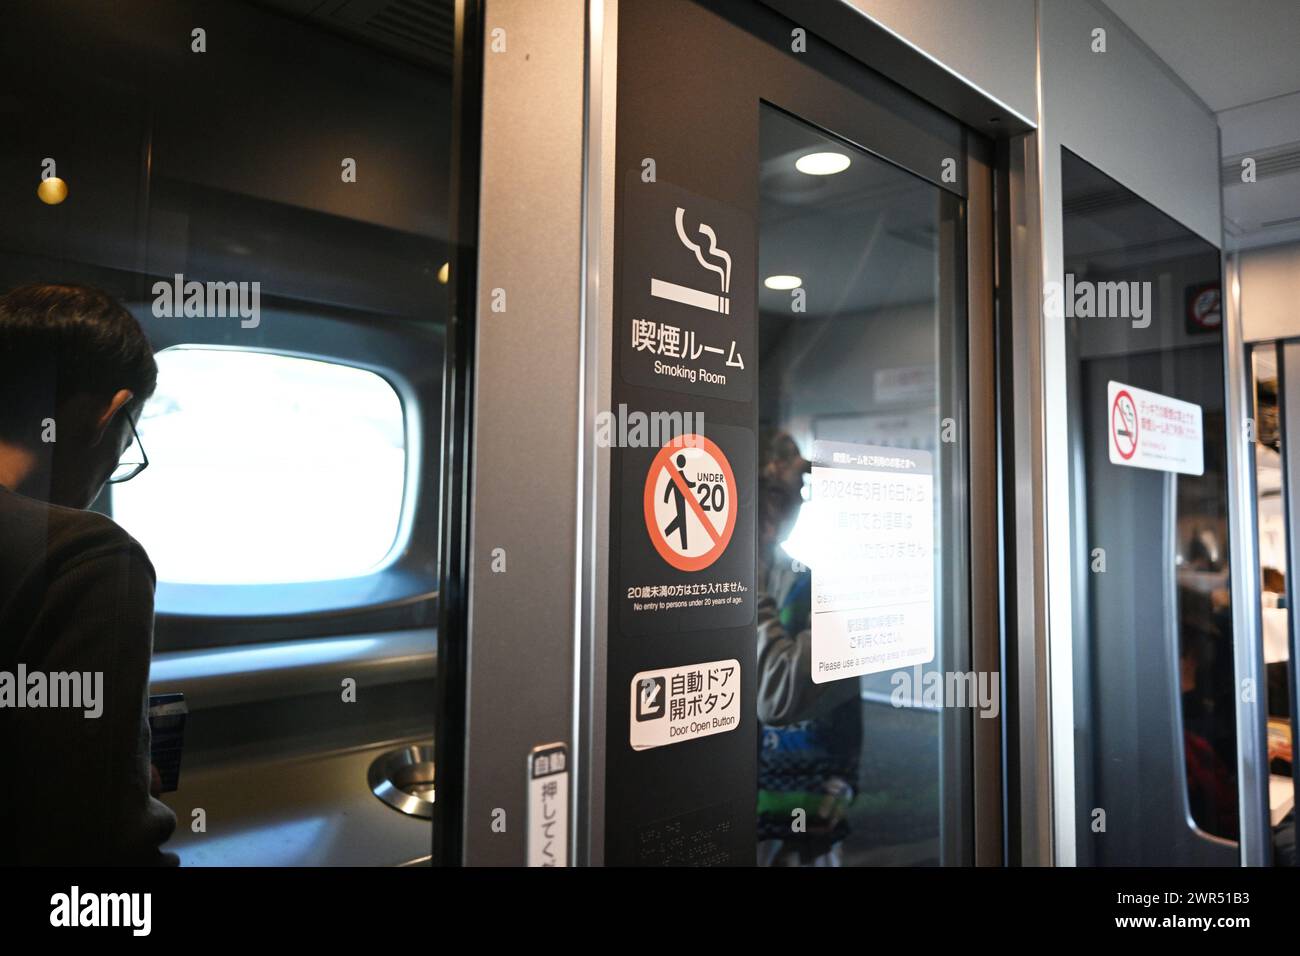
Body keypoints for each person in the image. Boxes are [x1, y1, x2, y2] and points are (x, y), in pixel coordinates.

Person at [0, 283, 177, 865]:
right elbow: (96, 853)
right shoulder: (88, 557)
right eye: (130, 442)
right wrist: (120, 794)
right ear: (108, 412)